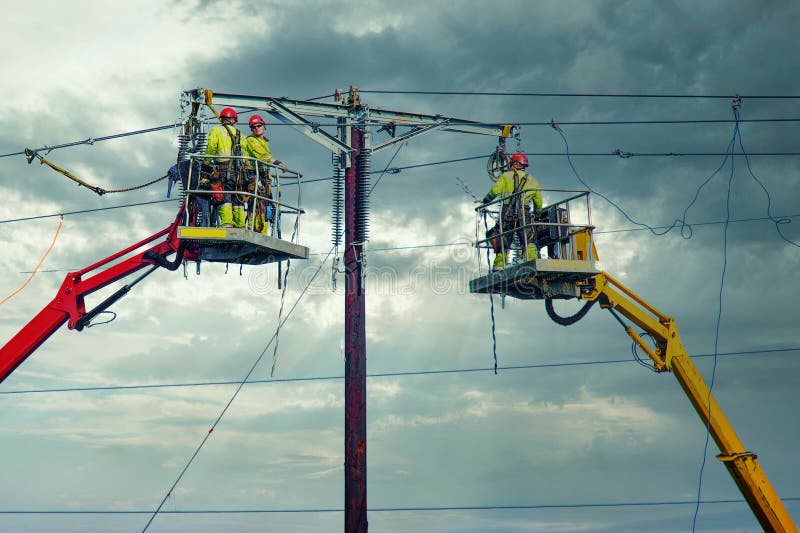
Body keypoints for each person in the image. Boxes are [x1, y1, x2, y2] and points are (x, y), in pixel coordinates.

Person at [481, 152, 542, 270]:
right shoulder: (533, 181)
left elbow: (494, 191)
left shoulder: (506, 177)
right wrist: (538, 215)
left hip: (507, 213)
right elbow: (538, 202)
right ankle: (532, 263)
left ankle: (499, 266)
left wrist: (485, 201)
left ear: (514, 164)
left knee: (503, 239)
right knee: (529, 239)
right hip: (524, 214)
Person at [244, 114, 287, 233]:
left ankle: (263, 231)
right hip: (253, 175)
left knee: (265, 204)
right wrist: (277, 162)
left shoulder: (264, 141)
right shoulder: (250, 140)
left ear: (264, 126)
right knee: (255, 205)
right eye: (253, 127)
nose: (256, 128)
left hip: (263, 177)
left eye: (259, 125)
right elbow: (262, 155)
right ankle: (252, 230)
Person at [205, 107, 247, 227]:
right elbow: (246, 156)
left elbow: (211, 148)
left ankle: (227, 222)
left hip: (223, 169)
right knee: (238, 198)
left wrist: (206, 163)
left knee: (224, 196)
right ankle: (240, 224)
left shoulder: (216, 131)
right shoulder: (242, 135)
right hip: (239, 173)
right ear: (234, 120)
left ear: (222, 119)